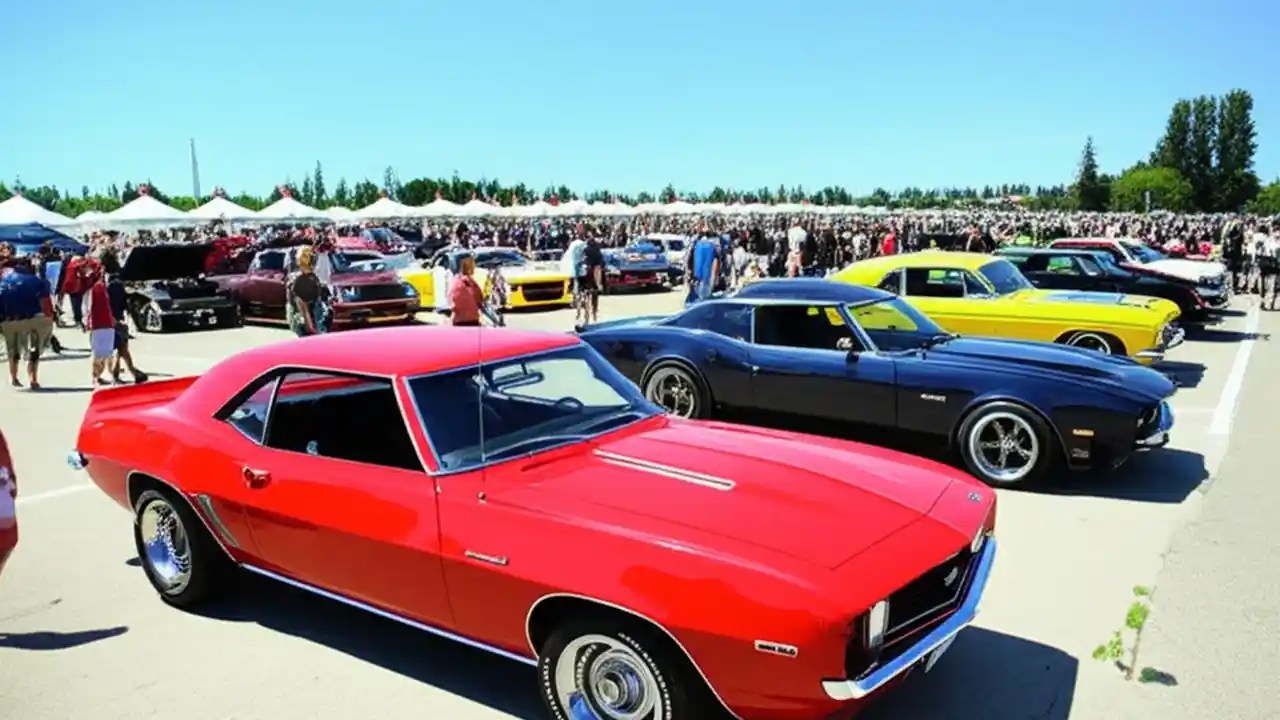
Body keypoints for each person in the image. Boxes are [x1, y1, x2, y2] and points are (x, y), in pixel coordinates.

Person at [0, 256, 55, 389]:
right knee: (34, 349)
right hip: (33, 319)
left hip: (9, 320)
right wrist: (50, 318)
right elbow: (45, 302)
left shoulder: (4, 280)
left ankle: (14, 377)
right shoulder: (37, 281)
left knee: (13, 350)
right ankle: (33, 379)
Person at [102, 250, 148, 383]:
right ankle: (130, 372)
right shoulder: (117, 280)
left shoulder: (107, 282)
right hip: (117, 317)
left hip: (110, 318)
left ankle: (121, 373)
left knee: (118, 348)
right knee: (122, 347)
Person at [82, 263, 117, 388]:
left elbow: (87, 307)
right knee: (103, 353)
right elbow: (87, 307)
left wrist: (86, 321)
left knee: (101, 353)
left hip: (101, 324)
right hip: (103, 324)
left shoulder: (96, 288)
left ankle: (99, 376)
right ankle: (101, 375)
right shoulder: (99, 287)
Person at [285, 246, 331, 337]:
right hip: (308, 323)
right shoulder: (302, 280)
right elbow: (301, 305)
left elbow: (303, 305)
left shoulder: (302, 279)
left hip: (307, 323)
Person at [448, 253, 483, 326]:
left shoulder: (458, 281)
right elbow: (479, 299)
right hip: (466, 321)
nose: (474, 266)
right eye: (471, 263)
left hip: (463, 319)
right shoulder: (464, 282)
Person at [687, 232, 721, 303]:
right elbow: (716, 263)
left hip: (696, 276)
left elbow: (689, 260)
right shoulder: (713, 247)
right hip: (708, 276)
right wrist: (716, 278)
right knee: (705, 297)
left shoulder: (696, 245)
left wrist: (689, 273)